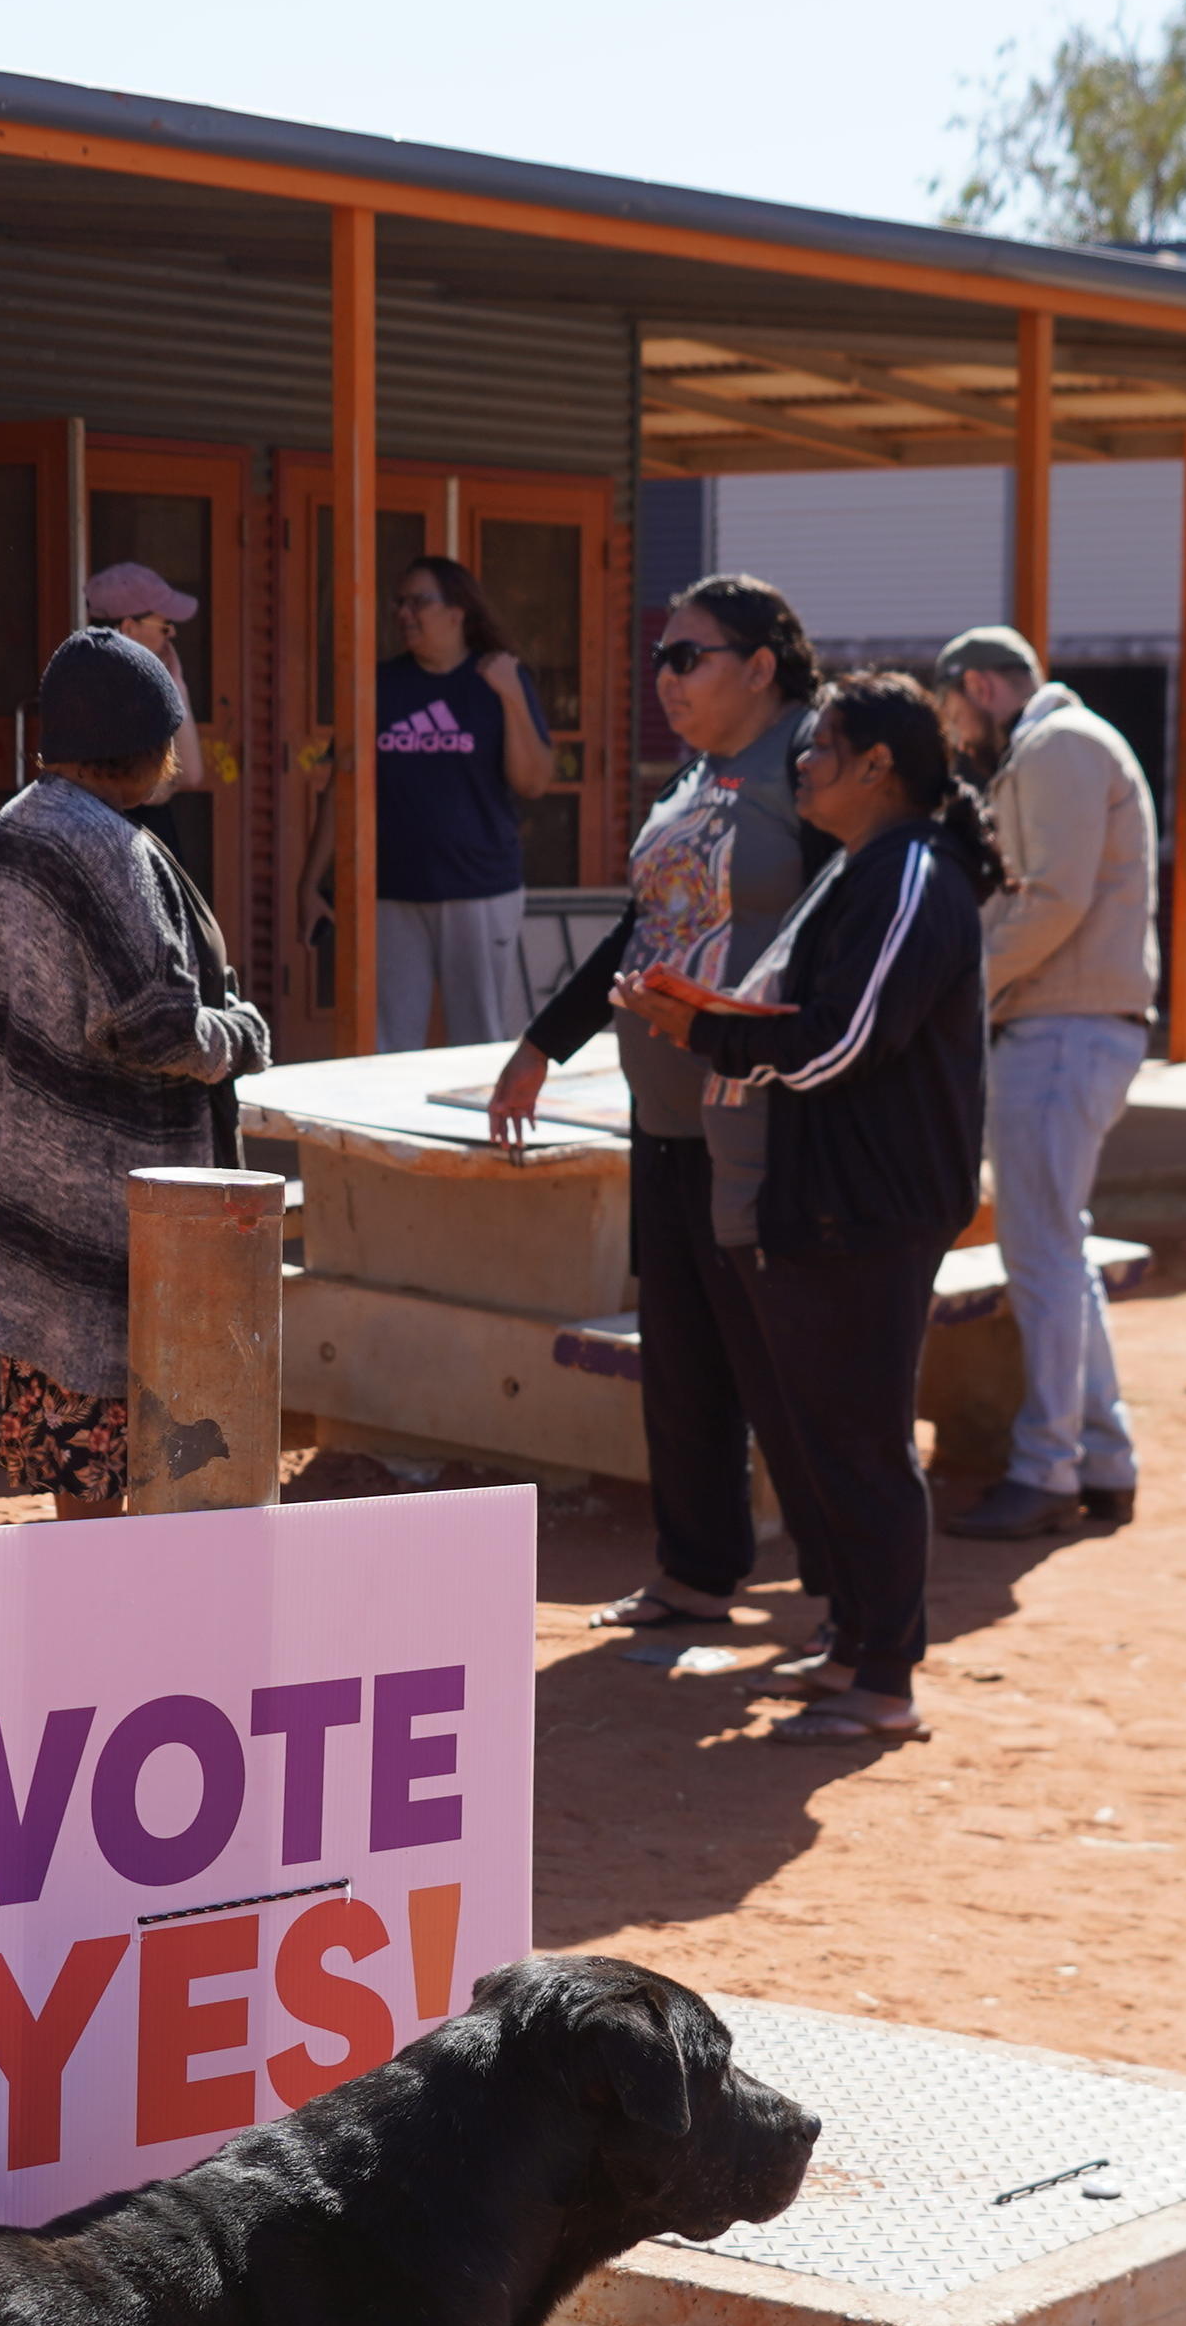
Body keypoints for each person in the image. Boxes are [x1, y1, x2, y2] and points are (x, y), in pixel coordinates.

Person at [617, 671, 994, 1746]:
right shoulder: (862, 868)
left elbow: (840, 1038)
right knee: (825, 1437)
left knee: (865, 1443)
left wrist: (708, 1034)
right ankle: (849, 1647)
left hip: (866, 1208)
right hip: (817, 1201)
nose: (802, 765)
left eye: (819, 748)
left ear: (877, 767)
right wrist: (697, 1009)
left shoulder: (913, 872)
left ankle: (886, 1678)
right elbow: (808, 1014)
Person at [492, 575, 826, 1636]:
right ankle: (694, 1572)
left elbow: (848, 942)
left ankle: (839, 1595)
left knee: (781, 1371)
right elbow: (640, 934)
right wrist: (544, 1042)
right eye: (659, 660)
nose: (664, 679)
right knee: (681, 1362)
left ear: (760, 665)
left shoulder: (815, 769)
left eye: (688, 658)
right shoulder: (697, 777)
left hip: (763, 1125)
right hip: (666, 1118)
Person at [0, 626, 274, 1517]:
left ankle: (86, 1644)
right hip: (119, 1210)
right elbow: (157, 1029)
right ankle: (125, 1650)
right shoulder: (105, 850)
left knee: (75, 1472)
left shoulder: (22, 824)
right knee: (144, 1467)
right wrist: (240, 1032)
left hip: (45, 1190)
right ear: (143, 743)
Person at [926, 623, 1162, 1543]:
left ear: (982, 687)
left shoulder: (1059, 743)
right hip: (1067, 1024)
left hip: (1062, 1027)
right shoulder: (1060, 743)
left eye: (951, 708)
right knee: (1058, 1248)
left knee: (1044, 1256)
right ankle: (1101, 1459)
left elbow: (1052, 897)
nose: (954, 731)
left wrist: (960, 989)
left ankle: (1047, 1468)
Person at [316, 552, 554, 1050]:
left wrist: (510, 693)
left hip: (480, 890)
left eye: (419, 601)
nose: (404, 613)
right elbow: (341, 786)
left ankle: (486, 1130)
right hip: (390, 892)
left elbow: (532, 783)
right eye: (399, 603)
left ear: (458, 611)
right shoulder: (378, 685)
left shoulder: (498, 681)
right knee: (386, 1043)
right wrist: (312, 880)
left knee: (480, 1038)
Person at [82, 558, 214, 801]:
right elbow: (139, 793)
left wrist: (176, 686)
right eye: (164, 625)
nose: (172, 632)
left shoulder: (136, 686)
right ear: (130, 628)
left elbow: (189, 774)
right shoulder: (98, 690)